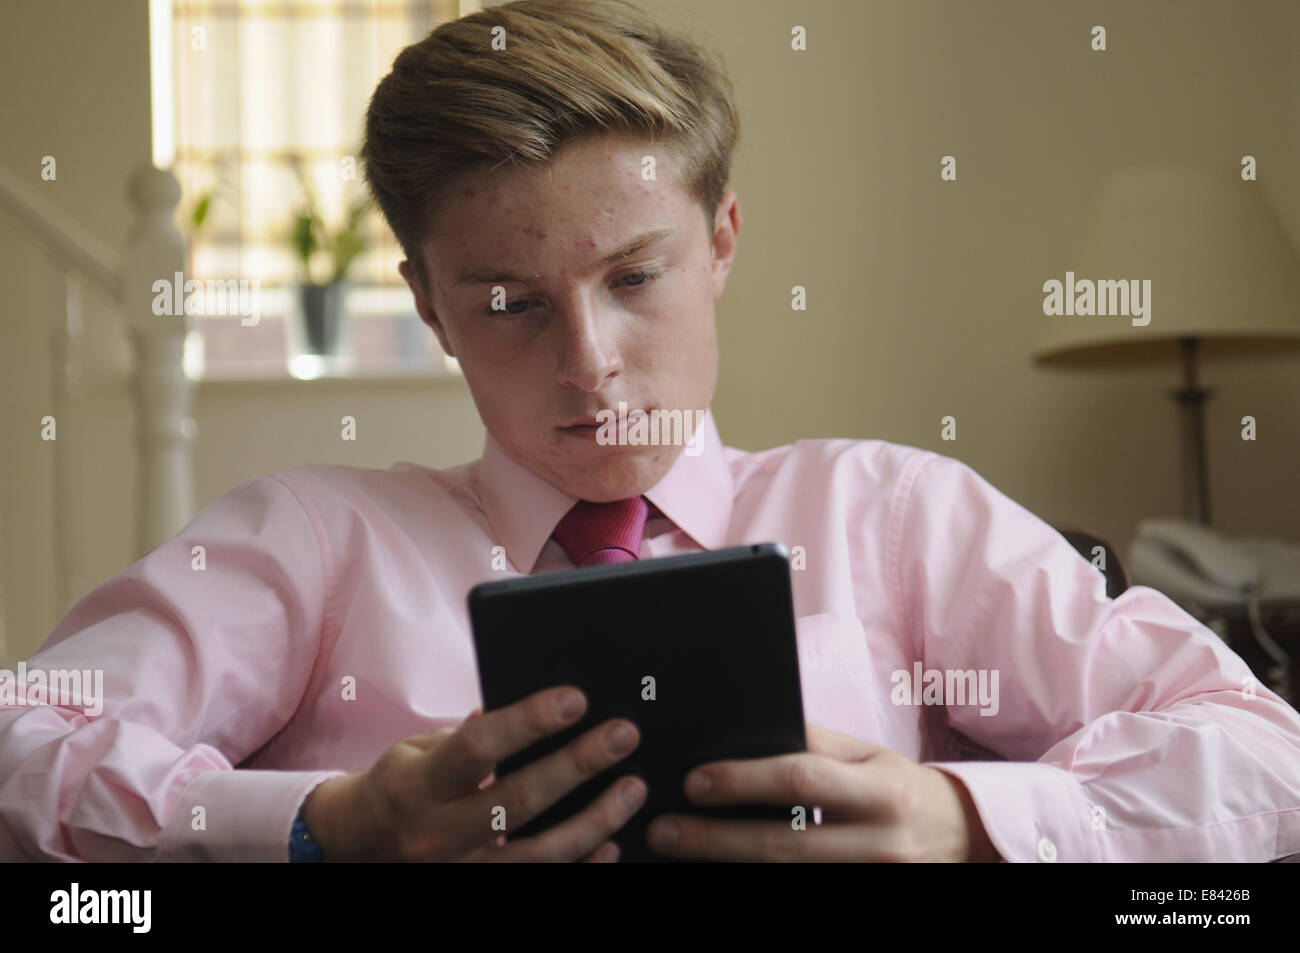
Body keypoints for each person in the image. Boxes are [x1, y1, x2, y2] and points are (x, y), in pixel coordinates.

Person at [3, 0, 1299, 863]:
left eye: (635, 277)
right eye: (510, 303)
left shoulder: (891, 515)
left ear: (723, 242)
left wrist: (961, 815)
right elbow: (22, 742)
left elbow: (1262, 752)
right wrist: (322, 825)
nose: (590, 363)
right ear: (428, 307)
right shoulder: (312, 537)